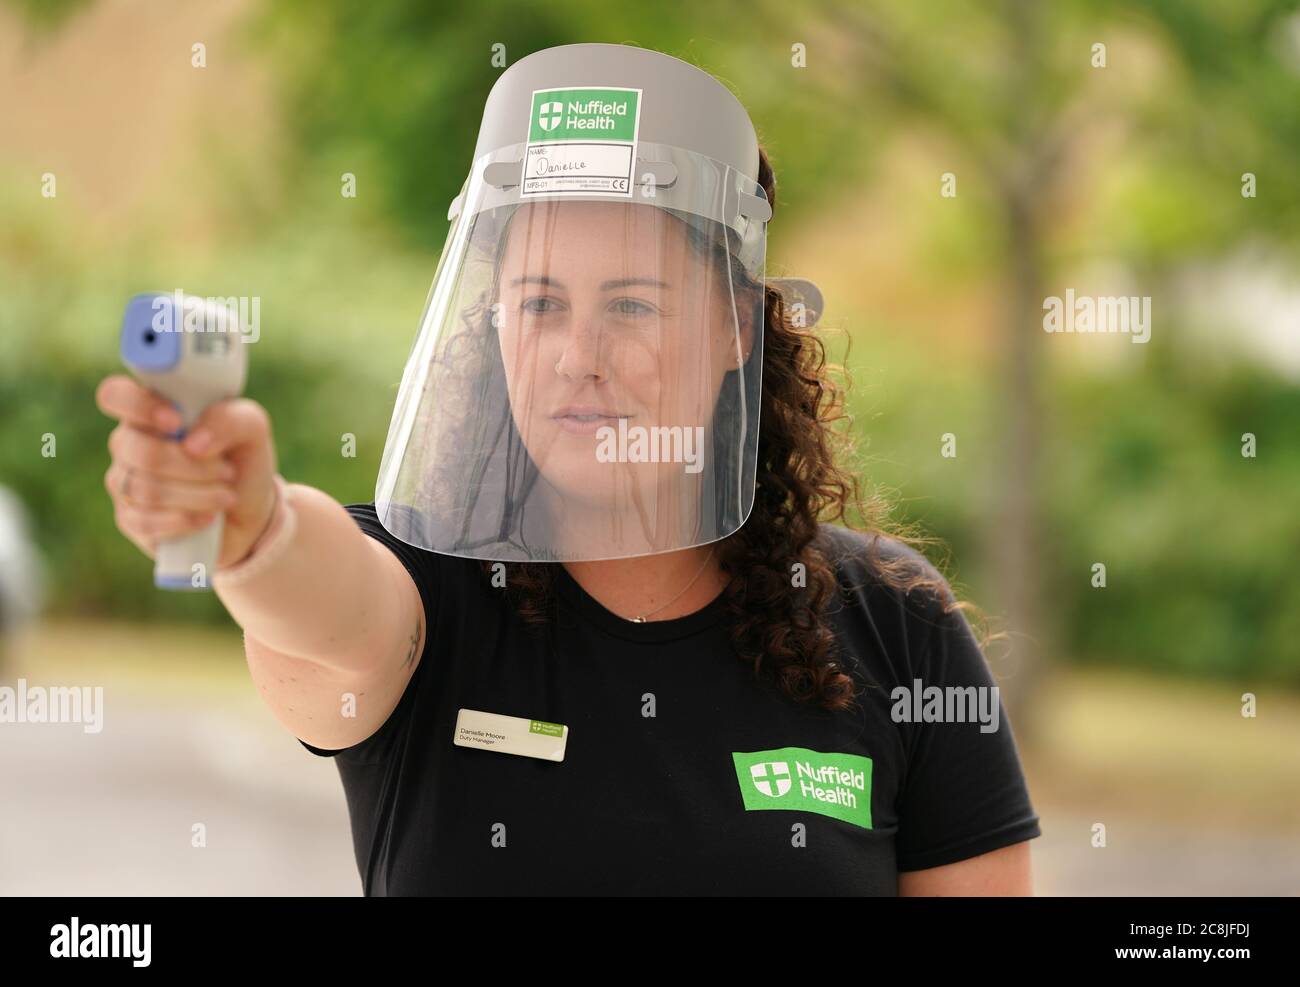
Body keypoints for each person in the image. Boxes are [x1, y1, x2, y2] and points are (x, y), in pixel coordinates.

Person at [96, 42, 1040, 895]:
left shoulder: (893, 621)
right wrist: (254, 529)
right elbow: (332, 614)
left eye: (631, 305)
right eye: (540, 303)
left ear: (735, 328)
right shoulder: (431, 583)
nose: (577, 353)